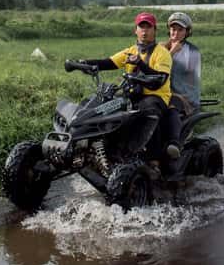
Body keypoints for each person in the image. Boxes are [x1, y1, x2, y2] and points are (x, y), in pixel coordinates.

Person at [79, 12, 173, 163]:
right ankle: (100, 146)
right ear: (135, 30)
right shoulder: (131, 51)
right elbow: (108, 62)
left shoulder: (162, 53)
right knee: (105, 106)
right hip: (132, 94)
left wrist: (140, 64)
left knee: (145, 110)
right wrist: (83, 63)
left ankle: (141, 154)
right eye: (141, 27)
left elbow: (159, 80)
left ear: (155, 30)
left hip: (156, 96)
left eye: (148, 27)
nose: (144, 31)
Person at [161, 11, 202, 158]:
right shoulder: (160, 47)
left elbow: (165, 66)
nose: (175, 32)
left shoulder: (192, 52)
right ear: (168, 29)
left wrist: (171, 53)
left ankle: (175, 144)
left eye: (180, 29)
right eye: (173, 29)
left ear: (187, 32)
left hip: (184, 97)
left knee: (171, 105)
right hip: (162, 94)